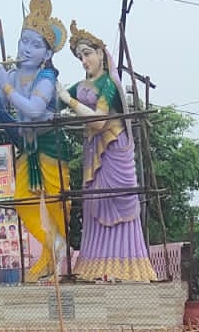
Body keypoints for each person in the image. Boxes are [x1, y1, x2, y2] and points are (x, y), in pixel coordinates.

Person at [0, 0, 69, 281]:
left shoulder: (47, 79)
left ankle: (61, 256)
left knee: (57, 205)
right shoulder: (13, 76)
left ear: (47, 54)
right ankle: (53, 248)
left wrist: (5, 87)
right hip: (28, 151)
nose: (26, 49)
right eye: (23, 42)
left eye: (35, 45)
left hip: (50, 150)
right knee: (22, 201)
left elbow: (35, 108)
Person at [56, 22, 156, 282]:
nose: (84, 60)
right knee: (94, 205)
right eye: (80, 56)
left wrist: (69, 101)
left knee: (118, 202)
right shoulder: (83, 85)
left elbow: (99, 121)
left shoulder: (109, 85)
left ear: (101, 53)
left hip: (113, 148)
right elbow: (55, 101)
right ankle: (94, 265)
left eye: (88, 53)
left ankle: (126, 266)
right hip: (93, 151)